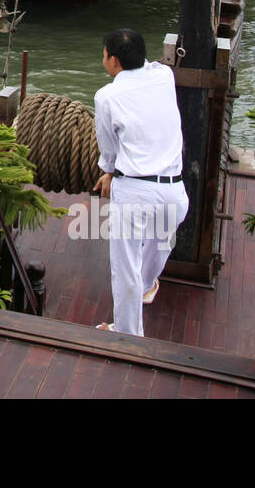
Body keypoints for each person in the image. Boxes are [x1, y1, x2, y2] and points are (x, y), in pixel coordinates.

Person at [93, 28, 189, 337]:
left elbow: (107, 145)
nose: (103, 59)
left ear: (115, 62)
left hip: (135, 191)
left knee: (126, 269)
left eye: (105, 54)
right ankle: (149, 287)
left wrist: (107, 171)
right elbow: (152, 65)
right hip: (175, 191)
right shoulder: (164, 76)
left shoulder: (106, 96)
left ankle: (128, 334)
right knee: (160, 244)